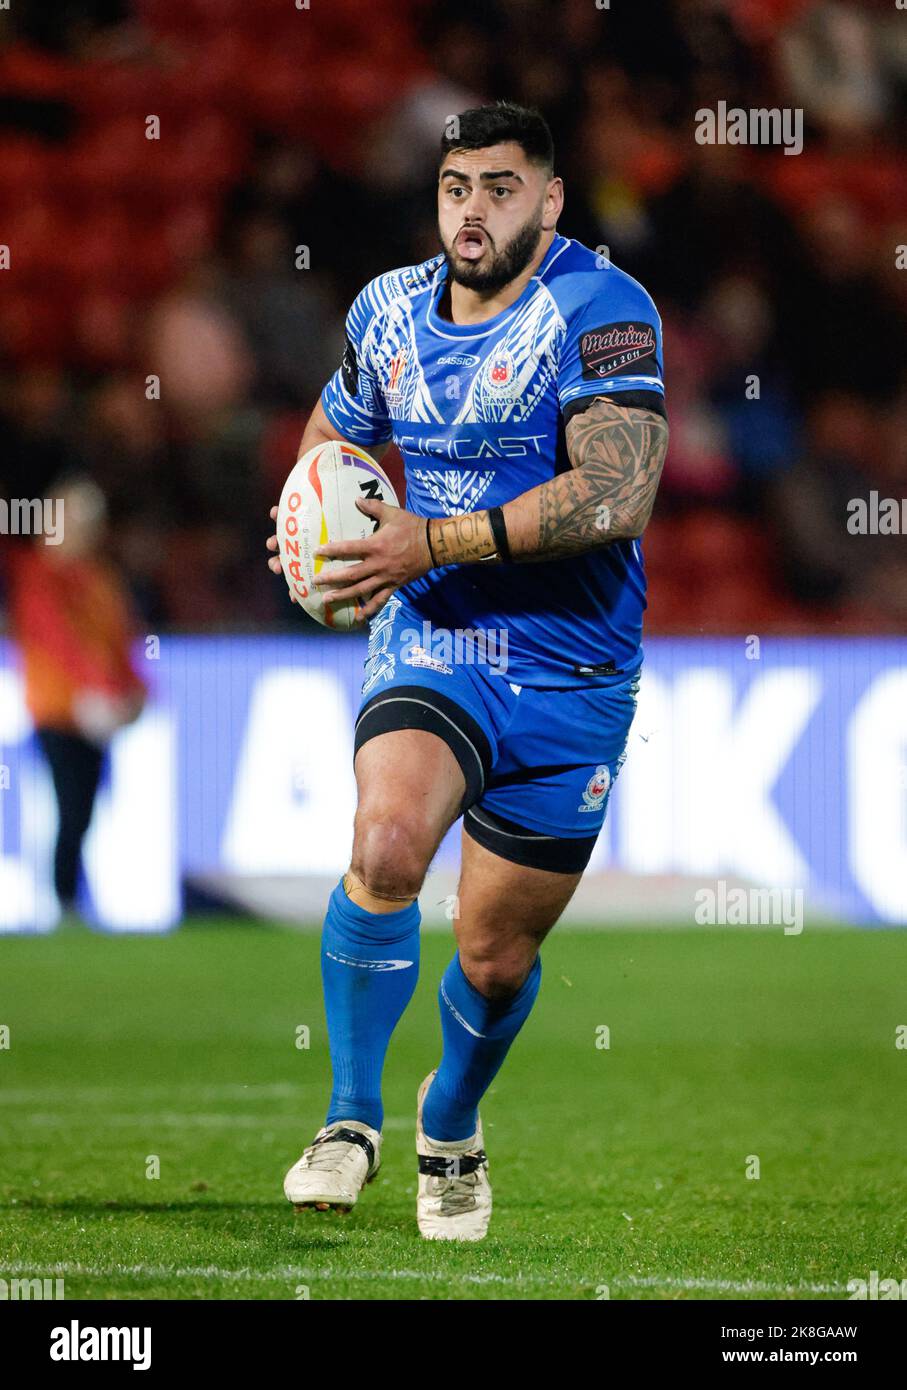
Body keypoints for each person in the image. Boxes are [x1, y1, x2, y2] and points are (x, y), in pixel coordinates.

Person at [266, 102, 668, 1240]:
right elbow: (330, 433)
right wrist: (317, 524)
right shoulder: (386, 311)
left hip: (573, 668)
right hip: (435, 636)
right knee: (386, 843)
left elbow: (614, 494)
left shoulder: (601, 309)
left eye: (499, 187)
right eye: (455, 187)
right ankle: (349, 1121)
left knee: (493, 956)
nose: (472, 210)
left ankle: (451, 1119)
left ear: (548, 200)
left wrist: (427, 539)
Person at [6, 477, 146, 919]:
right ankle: (65, 901)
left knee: (81, 810)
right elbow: (57, 639)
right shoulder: (38, 577)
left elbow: (122, 640)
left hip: (96, 715)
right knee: (71, 808)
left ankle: (70, 898)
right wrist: (98, 690)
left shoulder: (100, 579)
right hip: (57, 713)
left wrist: (136, 691)